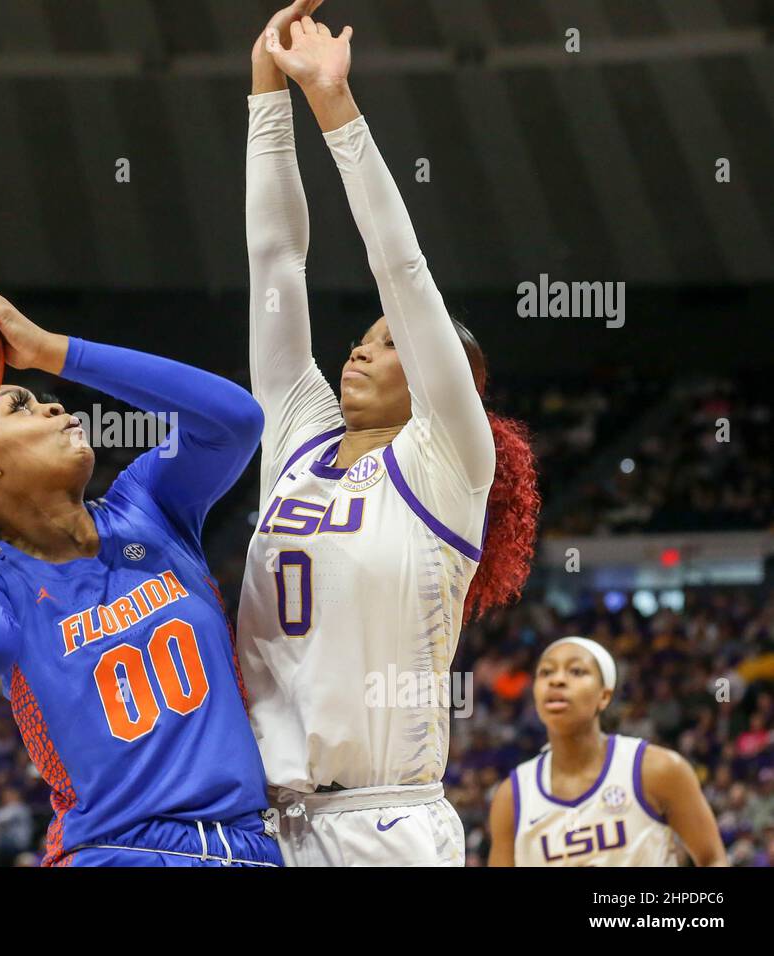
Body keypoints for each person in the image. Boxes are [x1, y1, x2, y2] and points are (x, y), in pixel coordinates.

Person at [0, 270, 280, 866]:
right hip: (117, 850)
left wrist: (52, 350)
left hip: (249, 846)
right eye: (20, 405)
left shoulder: (147, 507)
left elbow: (235, 421)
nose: (52, 402)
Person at [237, 2, 539, 866]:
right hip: (262, 825)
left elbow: (401, 270)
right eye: (363, 338)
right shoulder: (298, 437)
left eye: (391, 341)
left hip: (385, 828)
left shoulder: (449, 459)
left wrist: (333, 105)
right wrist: (266, 95)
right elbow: (275, 261)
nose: (362, 350)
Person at [489, 637, 727, 866]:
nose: (557, 680)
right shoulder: (512, 795)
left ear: (604, 695)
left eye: (576, 671)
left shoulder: (658, 769)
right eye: (546, 672)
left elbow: (713, 859)